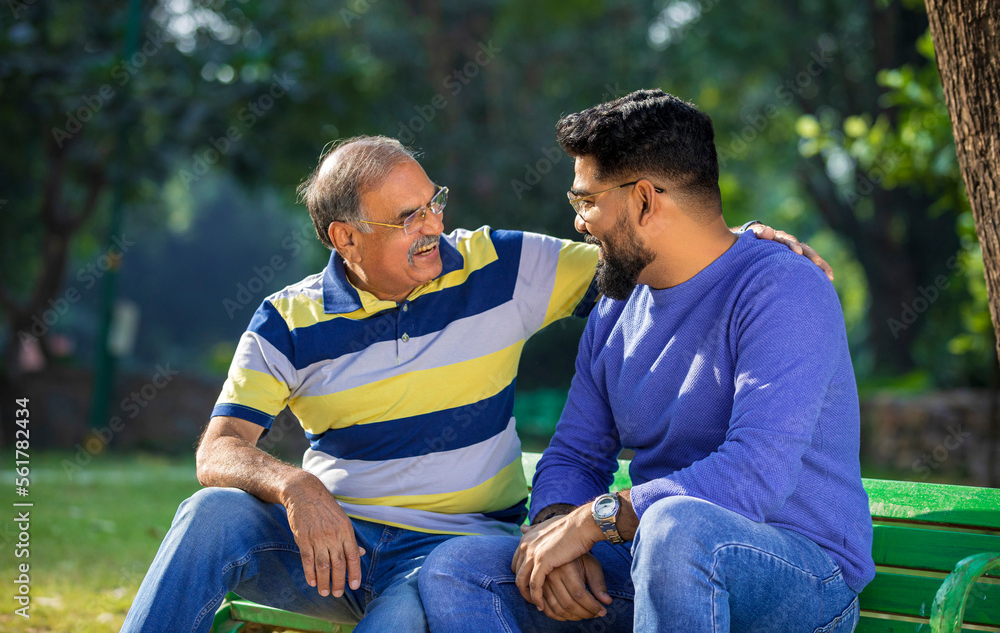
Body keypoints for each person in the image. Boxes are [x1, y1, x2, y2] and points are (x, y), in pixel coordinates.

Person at [121, 134, 830, 632]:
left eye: (435, 202)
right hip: (333, 546)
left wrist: (737, 240)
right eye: (409, 218)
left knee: (416, 607)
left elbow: (651, 256)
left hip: (452, 549)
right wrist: (295, 487)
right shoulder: (288, 318)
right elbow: (217, 450)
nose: (436, 226)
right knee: (207, 513)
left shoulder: (501, 266)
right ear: (345, 238)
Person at [418, 90, 875, 633]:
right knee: (456, 570)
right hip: (651, 559)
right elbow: (575, 453)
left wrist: (597, 521)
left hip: (798, 576)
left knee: (675, 528)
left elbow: (756, 474)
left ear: (642, 201)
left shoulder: (783, 291)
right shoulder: (615, 308)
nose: (580, 223)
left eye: (586, 201)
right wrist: (557, 525)